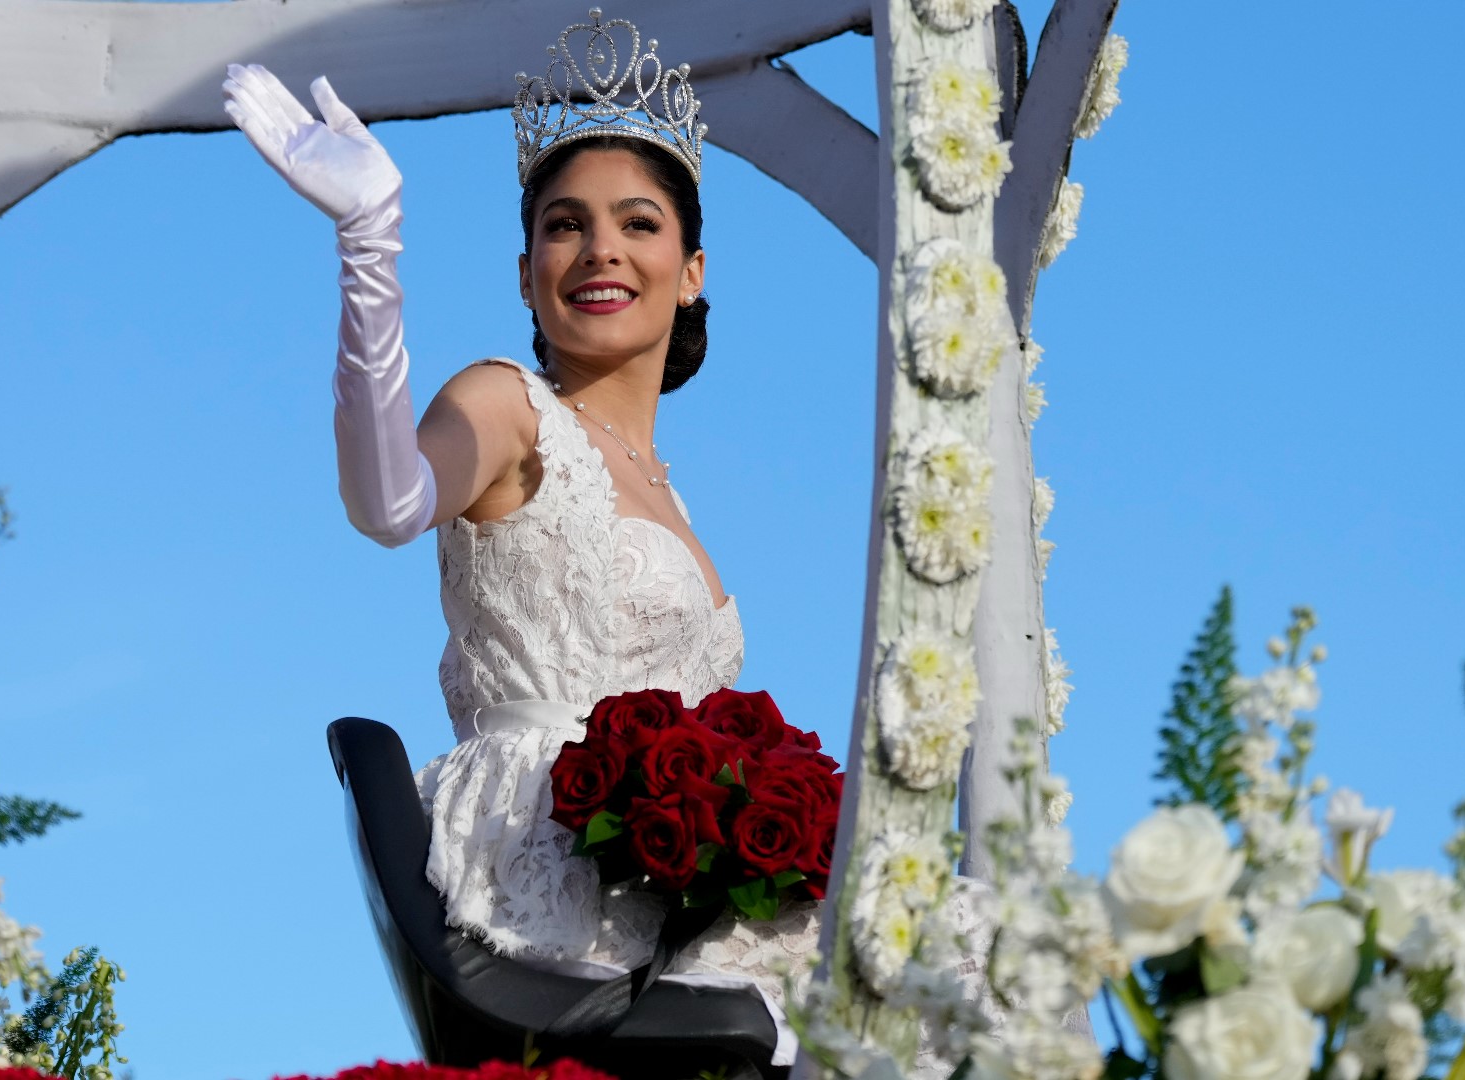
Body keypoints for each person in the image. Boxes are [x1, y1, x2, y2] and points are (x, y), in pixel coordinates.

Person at [221, 14, 1005, 1073]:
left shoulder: (676, 497)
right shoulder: (507, 403)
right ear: (526, 268)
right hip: (551, 837)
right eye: (563, 224)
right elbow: (388, 498)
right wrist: (371, 241)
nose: (599, 249)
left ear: (690, 270)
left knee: (969, 963)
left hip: (683, 852)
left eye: (638, 223)